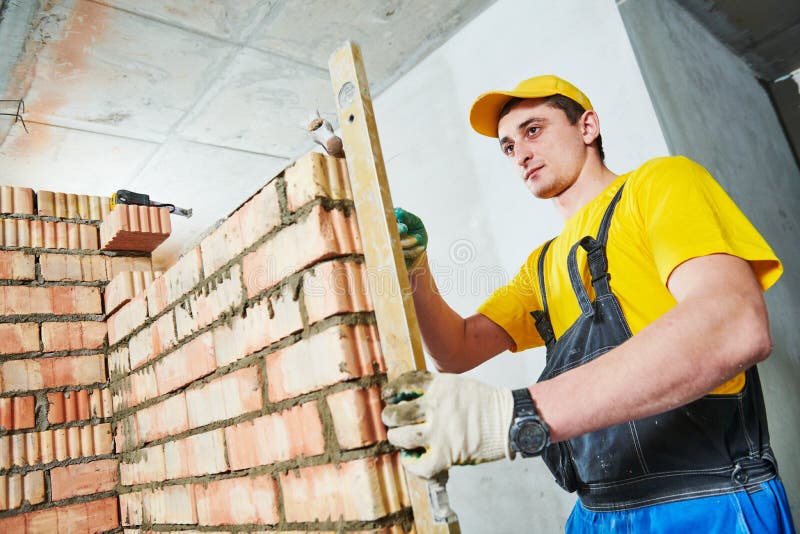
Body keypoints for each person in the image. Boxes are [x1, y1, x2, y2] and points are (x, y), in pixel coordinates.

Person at [380, 75, 796, 532]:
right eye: (507, 146)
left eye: (533, 130)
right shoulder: (540, 267)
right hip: (596, 514)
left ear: (588, 127)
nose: (519, 153)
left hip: (707, 503)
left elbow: (734, 324)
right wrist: (414, 267)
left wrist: (517, 415)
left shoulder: (659, 184)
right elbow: (456, 350)